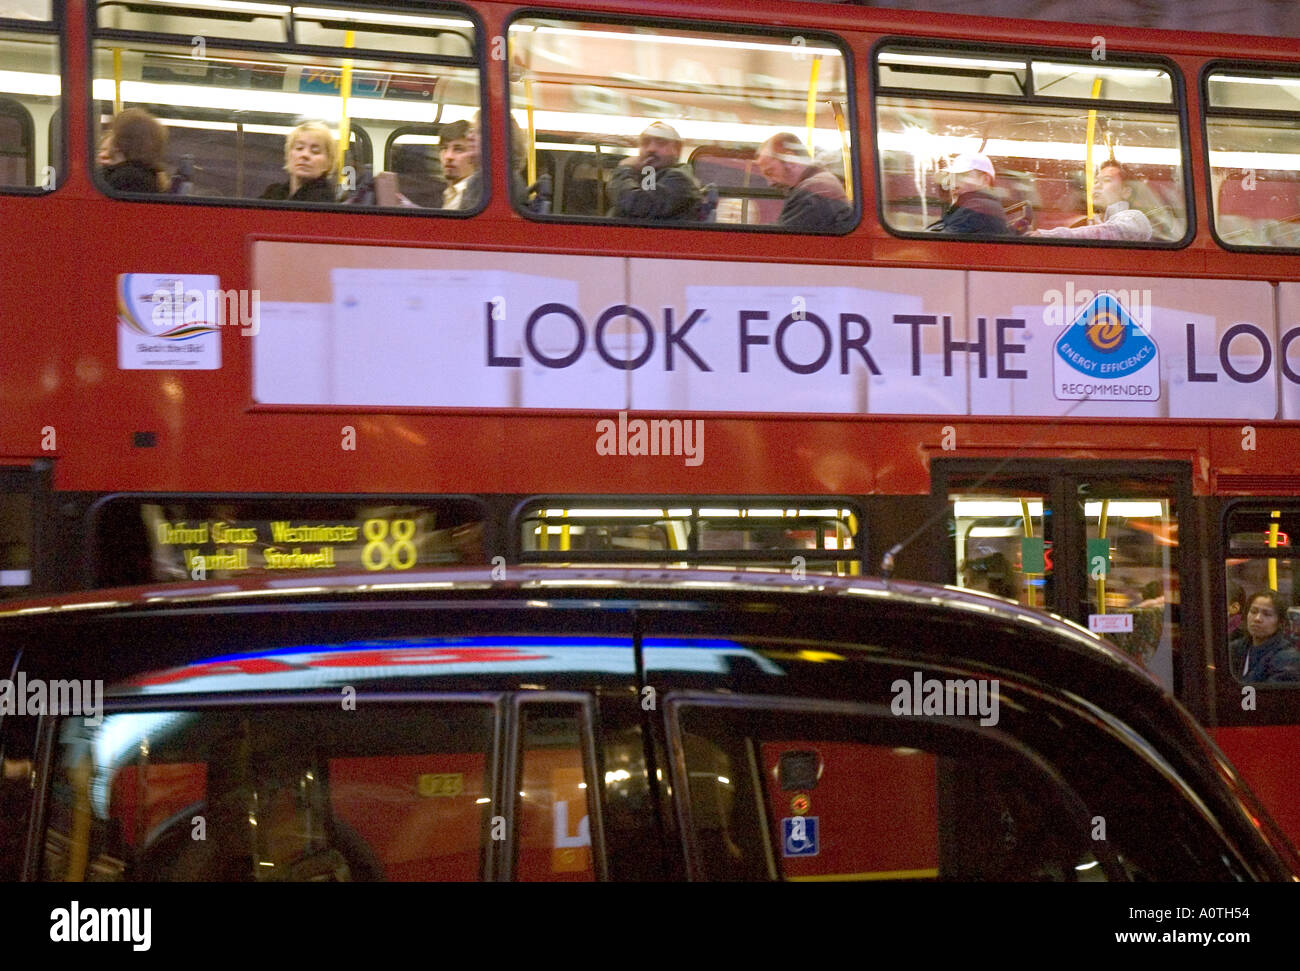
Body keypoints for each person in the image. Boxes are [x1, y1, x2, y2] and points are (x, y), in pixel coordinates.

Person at [755, 132, 853, 233]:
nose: (770, 183)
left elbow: (784, 239)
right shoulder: (820, 182)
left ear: (790, 160)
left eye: (770, 172)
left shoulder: (813, 190)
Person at [1035, 160, 1153, 241]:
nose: (1097, 186)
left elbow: (1109, 232)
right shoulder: (1095, 222)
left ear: (1126, 192)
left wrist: (1048, 235)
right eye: (1096, 181)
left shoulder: (1135, 219)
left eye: (1107, 180)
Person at [607, 121, 702, 222]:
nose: (651, 149)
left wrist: (624, 169)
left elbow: (638, 206)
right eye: (645, 143)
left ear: (677, 150)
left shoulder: (680, 180)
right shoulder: (645, 177)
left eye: (661, 143)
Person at [927, 153, 1010, 235]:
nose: (954, 185)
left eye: (962, 176)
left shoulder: (981, 207)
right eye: (952, 178)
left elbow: (939, 242)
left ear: (985, 179)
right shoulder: (976, 206)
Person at [1228, 590, 1300, 683]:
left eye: (1267, 614)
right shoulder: (1236, 648)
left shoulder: (1288, 658)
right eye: (1253, 611)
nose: (1257, 618)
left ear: (1280, 622)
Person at [261, 121, 338, 202]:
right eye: (299, 148)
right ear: (288, 155)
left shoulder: (323, 201)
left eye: (315, 151)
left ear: (328, 162)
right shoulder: (274, 193)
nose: (305, 155)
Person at [101, 108, 170, 192]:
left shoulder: (126, 179)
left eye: (113, 133)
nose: (108, 138)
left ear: (120, 142)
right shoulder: (148, 174)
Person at [437, 119, 475, 210]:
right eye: (444, 148)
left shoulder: (474, 197)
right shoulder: (451, 192)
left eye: (458, 149)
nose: (448, 156)